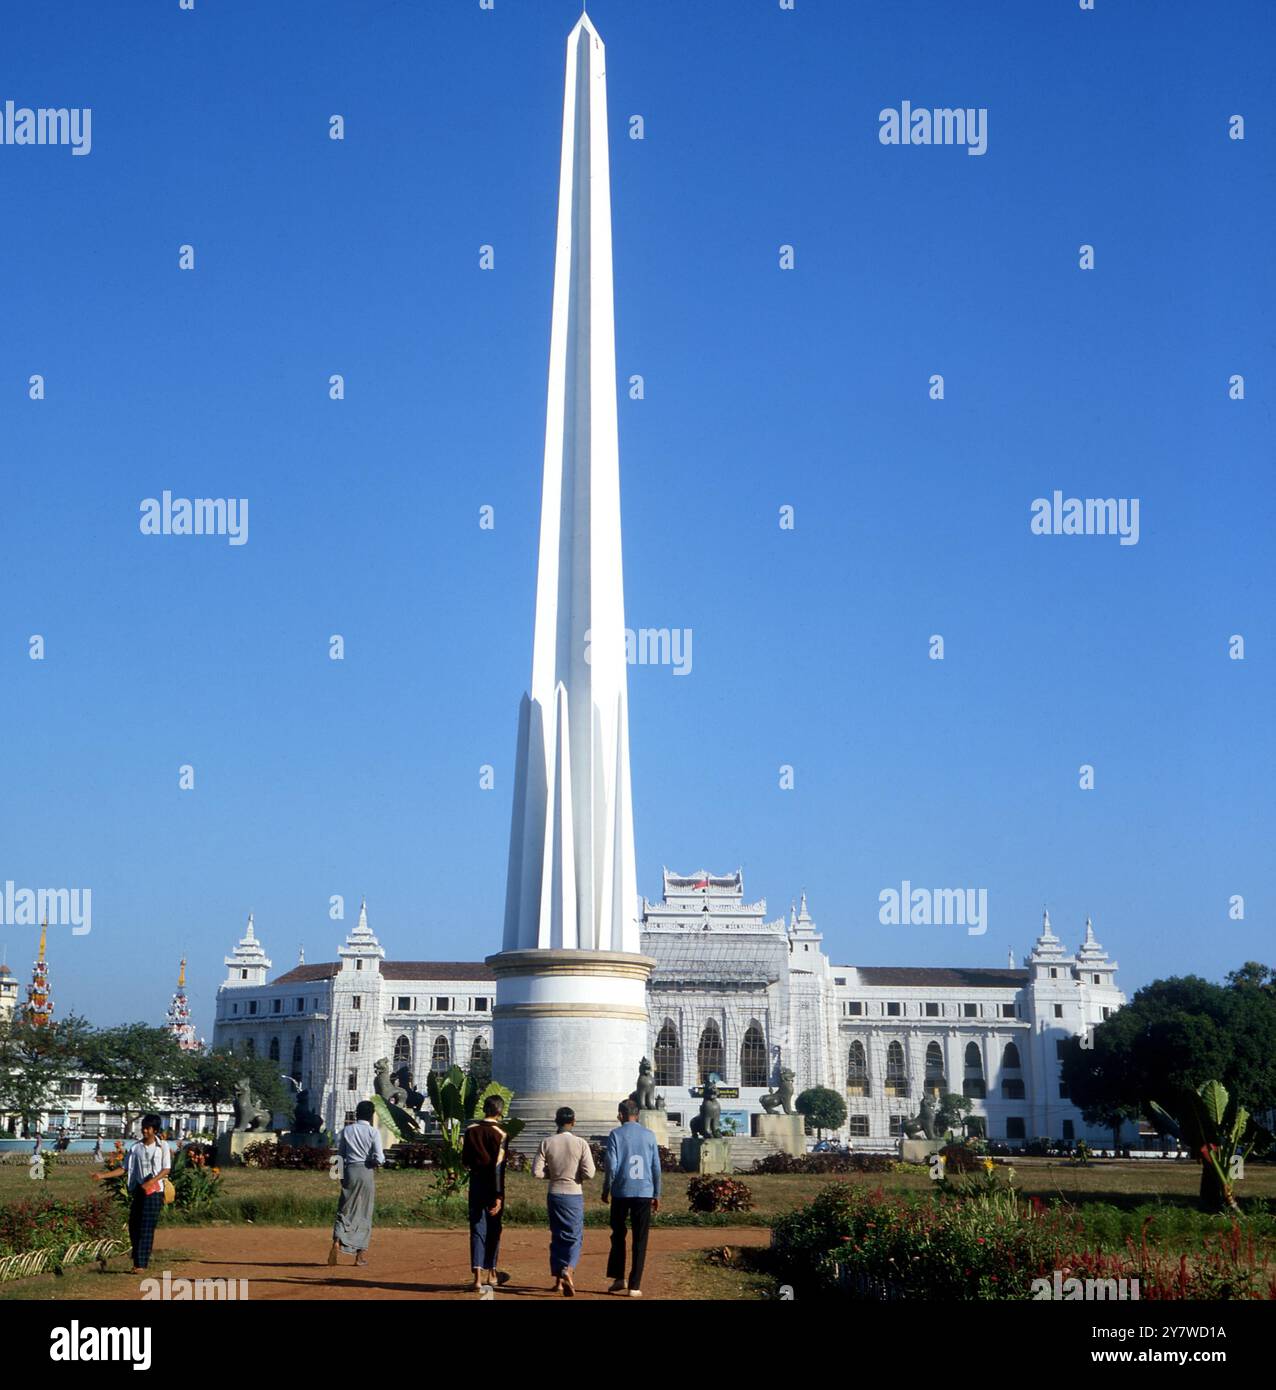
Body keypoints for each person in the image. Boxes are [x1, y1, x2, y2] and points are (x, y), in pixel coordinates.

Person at [93, 1113, 171, 1273]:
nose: (145, 1131)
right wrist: (102, 1175)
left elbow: (166, 1169)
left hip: (155, 1192)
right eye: (144, 1127)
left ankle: (140, 1264)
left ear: (155, 1130)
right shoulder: (136, 1148)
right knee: (134, 1225)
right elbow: (124, 1168)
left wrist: (152, 1181)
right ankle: (137, 1259)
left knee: (146, 1227)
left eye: (148, 1128)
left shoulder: (163, 1147)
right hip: (139, 1189)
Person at [532, 1106, 596, 1296]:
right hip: (573, 1193)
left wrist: (552, 1175)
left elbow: (536, 1172)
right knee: (575, 1236)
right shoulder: (581, 1143)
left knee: (557, 1235)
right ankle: (568, 1269)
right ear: (573, 1122)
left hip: (555, 1193)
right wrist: (577, 1176)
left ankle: (558, 1280)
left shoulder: (547, 1142)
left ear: (556, 1121)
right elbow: (590, 1173)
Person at [601, 1098, 661, 1297]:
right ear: (638, 1114)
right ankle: (634, 1285)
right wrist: (657, 1193)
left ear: (620, 1114)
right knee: (640, 1239)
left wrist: (606, 1189)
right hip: (644, 1192)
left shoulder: (616, 1134)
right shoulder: (649, 1135)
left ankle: (619, 1278)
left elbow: (611, 1166)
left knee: (618, 1235)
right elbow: (655, 1167)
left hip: (621, 1191)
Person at [328, 1100, 385, 1267]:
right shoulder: (373, 1132)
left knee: (344, 1208)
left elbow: (340, 1155)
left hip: (350, 1171)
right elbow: (379, 1158)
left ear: (356, 1114)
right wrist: (375, 1162)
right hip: (366, 1171)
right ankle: (359, 1255)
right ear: (371, 1115)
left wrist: (338, 1176)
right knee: (364, 1212)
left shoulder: (347, 1130)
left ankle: (337, 1241)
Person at [461, 1094, 509, 1291]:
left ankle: (477, 1277)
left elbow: (465, 1161)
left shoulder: (470, 1131)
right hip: (492, 1185)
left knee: (477, 1229)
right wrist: (498, 1196)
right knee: (494, 1229)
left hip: (476, 1184)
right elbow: (498, 1167)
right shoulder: (501, 1134)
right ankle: (492, 1273)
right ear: (499, 1111)